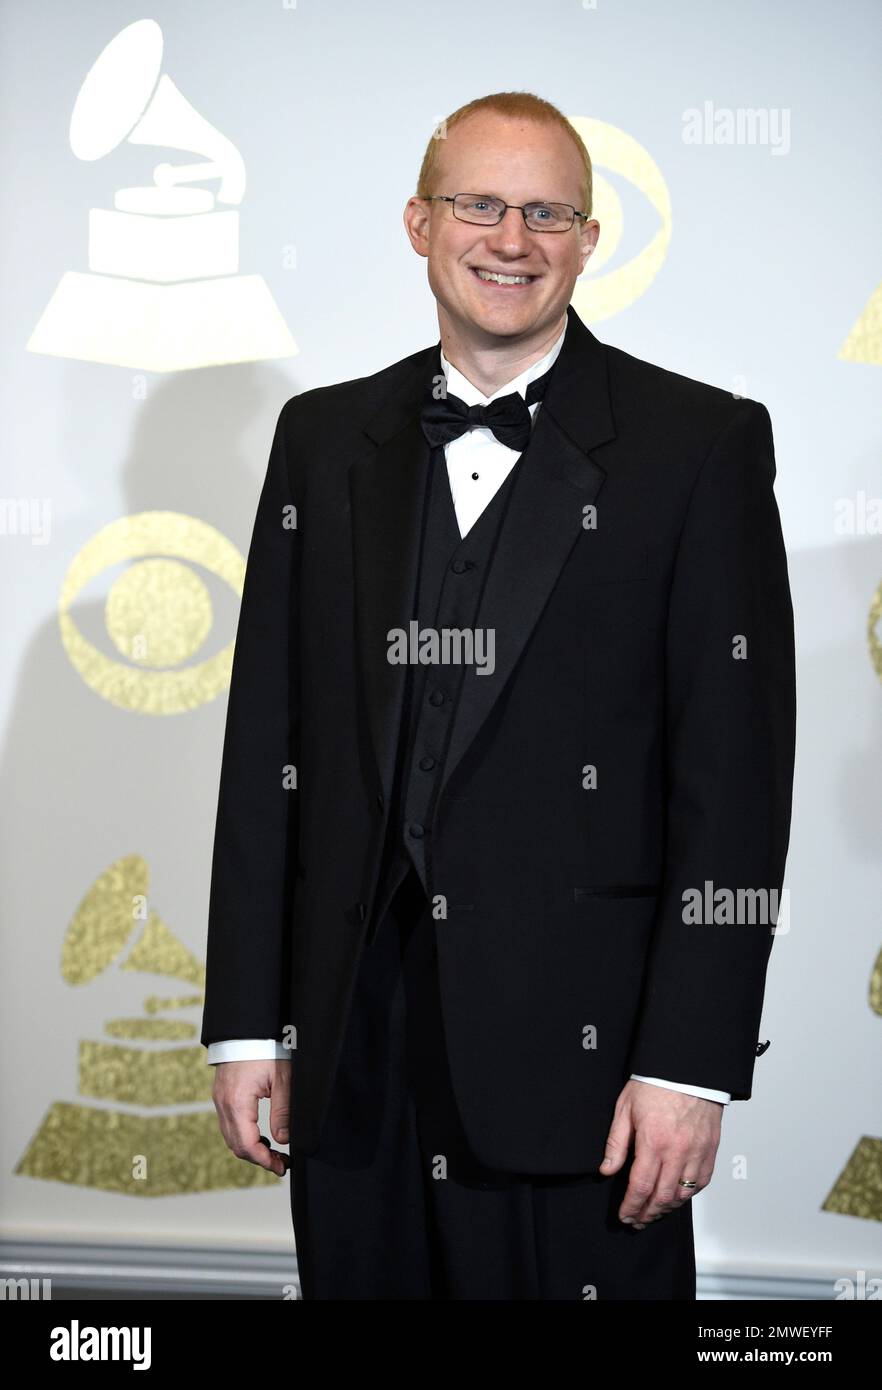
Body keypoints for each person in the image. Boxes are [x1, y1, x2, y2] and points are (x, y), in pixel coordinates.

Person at [201, 90, 796, 1300]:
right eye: (479, 204)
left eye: (546, 211)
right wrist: (249, 1024)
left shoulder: (700, 445)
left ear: (588, 238)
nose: (510, 239)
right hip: (354, 1062)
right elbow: (270, 738)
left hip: (588, 1080)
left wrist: (690, 1064)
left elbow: (733, 783)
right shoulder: (321, 439)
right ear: (419, 223)